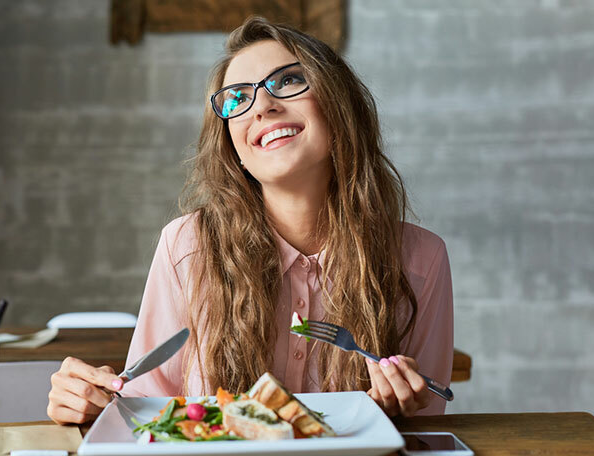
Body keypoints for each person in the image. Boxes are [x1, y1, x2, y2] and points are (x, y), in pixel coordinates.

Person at [47, 16, 453, 424]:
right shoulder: (187, 245)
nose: (262, 106)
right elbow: (147, 410)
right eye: (237, 98)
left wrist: (400, 408)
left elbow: (430, 417)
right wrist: (90, 403)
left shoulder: (421, 257)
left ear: (339, 105)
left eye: (289, 81)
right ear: (233, 145)